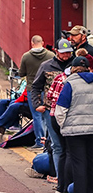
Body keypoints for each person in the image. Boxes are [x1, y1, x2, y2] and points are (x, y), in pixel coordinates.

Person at [54, 55, 93, 193]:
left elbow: (60, 110)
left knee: (79, 164)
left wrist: (64, 126)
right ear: (88, 69)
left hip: (74, 131)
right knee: (90, 162)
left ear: (73, 69)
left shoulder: (70, 84)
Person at [31, 39, 73, 157]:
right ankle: (58, 174)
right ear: (56, 51)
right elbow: (35, 87)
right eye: (63, 52)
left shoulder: (75, 65)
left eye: (68, 52)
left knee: (69, 145)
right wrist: (37, 104)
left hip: (70, 110)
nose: (66, 55)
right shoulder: (46, 66)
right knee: (57, 145)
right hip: (51, 111)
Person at [18, 35, 54, 150]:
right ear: (42, 43)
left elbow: (21, 73)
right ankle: (48, 141)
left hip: (32, 89)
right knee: (48, 115)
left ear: (32, 43)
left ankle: (39, 141)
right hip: (48, 89)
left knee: (37, 115)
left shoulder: (26, 56)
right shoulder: (51, 56)